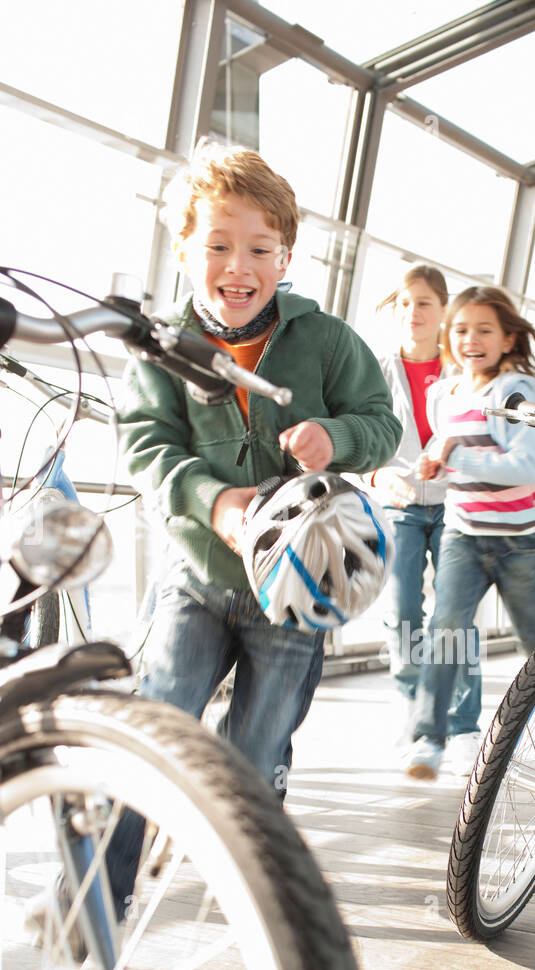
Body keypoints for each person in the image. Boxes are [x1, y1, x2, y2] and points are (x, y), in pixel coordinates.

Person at [117, 139, 401, 791]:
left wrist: (335, 437)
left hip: (298, 590)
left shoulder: (327, 340)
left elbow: (383, 426)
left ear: (286, 258)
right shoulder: (159, 346)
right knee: (154, 739)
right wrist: (214, 502)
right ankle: (104, 886)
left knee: (254, 755)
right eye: (216, 246)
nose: (237, 266)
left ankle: (251, 868)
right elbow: (145, 444)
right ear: (184, 249)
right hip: (194, 579)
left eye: (258, 249)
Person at [404, 285, 535, 780]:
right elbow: (448, 455)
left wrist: (454, 459)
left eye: (484, 330)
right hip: (462, 535)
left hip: (517, 542)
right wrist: (436, 467)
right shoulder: (443, 393)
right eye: (461, 329)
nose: (471, 339)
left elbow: (527, 466)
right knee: (445, 632)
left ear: (508, 339)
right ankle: (427, 738)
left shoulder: (518, 391)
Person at [372, 265, 482, 772]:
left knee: (454, 617)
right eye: (405, 303)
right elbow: (363, 443)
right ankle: (416, 718)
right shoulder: (376, 372)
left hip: (456, 505)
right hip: (399, 509)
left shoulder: (464, 376)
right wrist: (380, 476)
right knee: (403, 615)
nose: (413, 313)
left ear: (442, 312)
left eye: (423, 303)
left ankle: (461, 727)